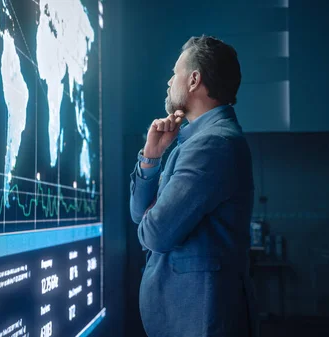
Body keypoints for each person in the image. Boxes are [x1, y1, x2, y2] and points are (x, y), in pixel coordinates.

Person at [129, 35, 256, 337]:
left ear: (194, 79)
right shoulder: (192, 141)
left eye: (175, 73)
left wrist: (154, 215)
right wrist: (151, 157)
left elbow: (155, 233)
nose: (169, 81)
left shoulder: (212, 144)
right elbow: (139, 215)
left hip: (199, 323)